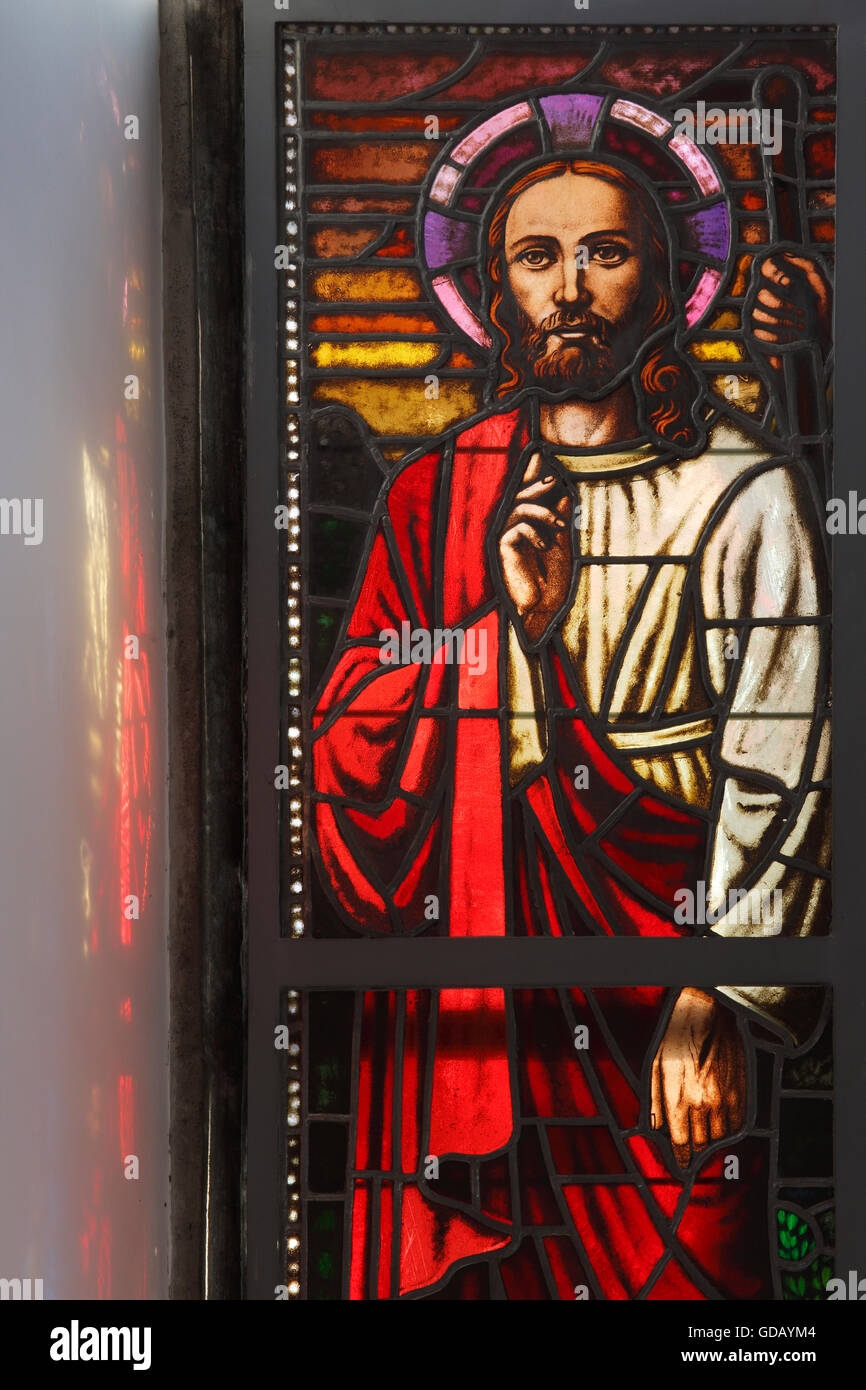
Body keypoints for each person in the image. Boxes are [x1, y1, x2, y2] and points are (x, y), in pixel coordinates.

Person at [312, 157, 831, 1299]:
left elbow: (782, 762)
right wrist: (504, 636)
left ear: (662, 283)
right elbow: (348, 748)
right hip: (484, 990)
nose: (567, 289)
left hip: (667, 975)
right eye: (535, 257)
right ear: (492, 293)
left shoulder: (742, 491)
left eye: (604, 252)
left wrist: (719, 995)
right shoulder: (436, 493)